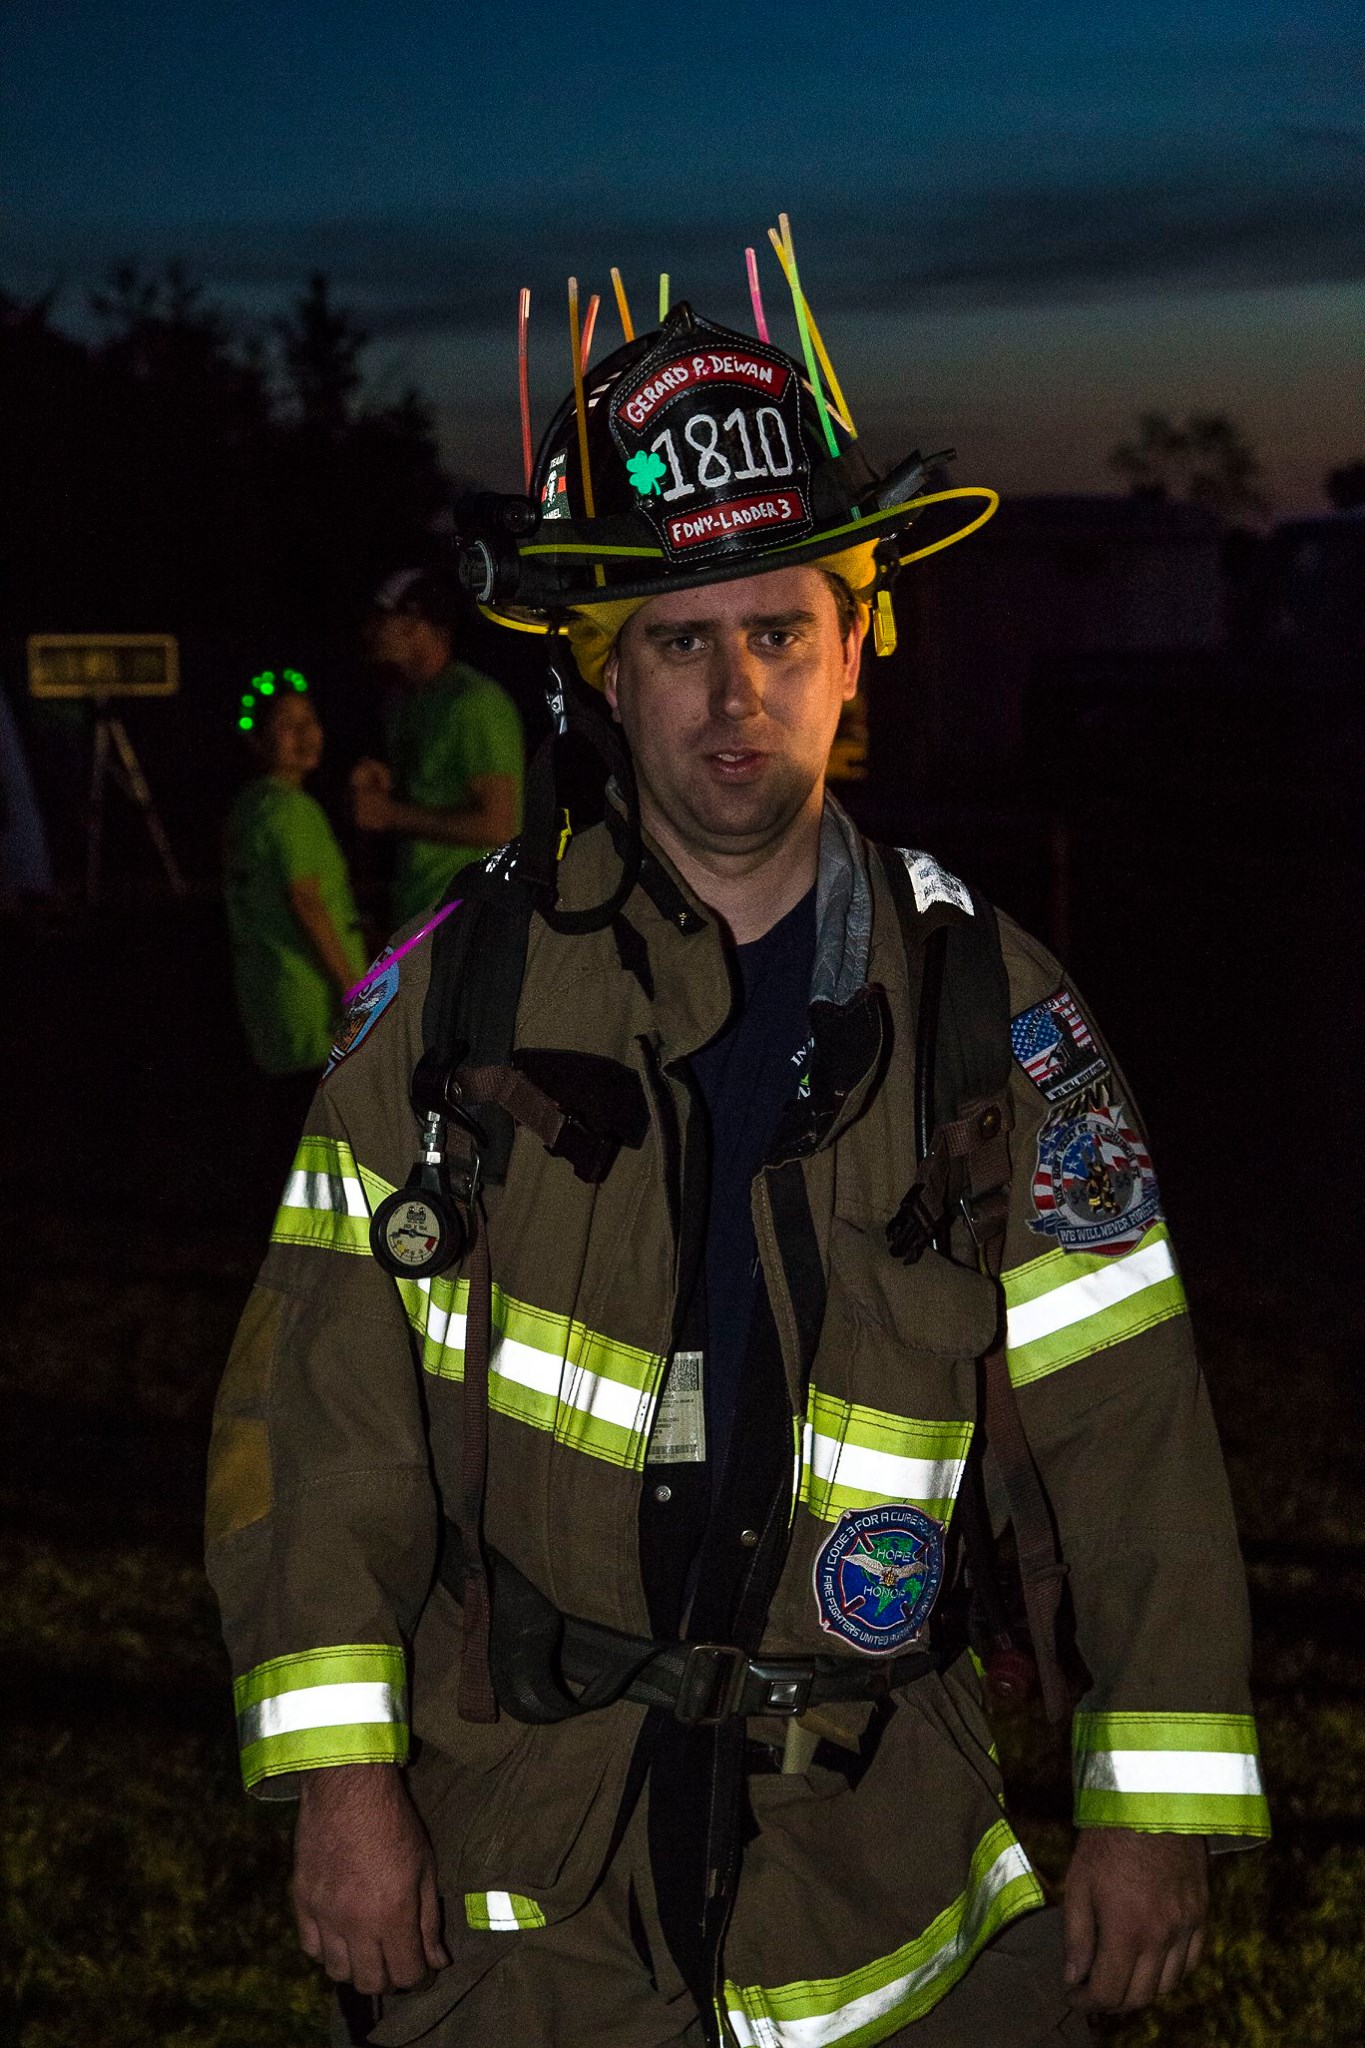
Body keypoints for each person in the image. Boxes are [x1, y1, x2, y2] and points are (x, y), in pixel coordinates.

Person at [206, 277, 1268, 2048]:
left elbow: (1128, 1418)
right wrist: (343, 1781)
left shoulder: (1000, 1010)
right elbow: (320, 1418)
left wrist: (1154, 1799)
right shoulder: (442, 1004)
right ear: (601, 672)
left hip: (888, 1865)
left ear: (860, 646)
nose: (733, 692)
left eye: (780, 631)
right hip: (519, 1866)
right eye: (680, 641)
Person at [351, 568, 524, 924]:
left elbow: (500, 825)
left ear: (415, 622)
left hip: (464, 918)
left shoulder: (474, 702)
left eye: (382, 619)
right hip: (417, 910)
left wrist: (390, 813)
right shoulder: (404, 705)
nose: (370, 631)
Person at [223, 669, 367, 1090]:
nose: (306, 734)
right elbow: (307, 901)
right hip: (314, 1011)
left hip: (270, 1005)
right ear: (257, 739)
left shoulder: (249, 807)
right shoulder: (291, 810)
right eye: (287, 726)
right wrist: (353, 991)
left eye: (310, 721)